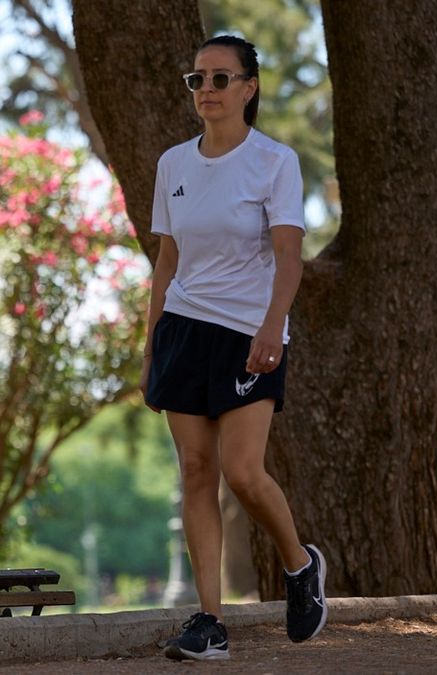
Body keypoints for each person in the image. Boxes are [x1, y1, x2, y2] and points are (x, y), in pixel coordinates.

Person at [140, 34, 327, 661]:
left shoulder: (275, 161)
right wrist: (151, 347)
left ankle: (300, 567)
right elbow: (166, 261)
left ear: (249, 87)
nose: (208, 91)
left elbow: (289, 255)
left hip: (250, 333)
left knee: (244, 473)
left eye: (221, 79)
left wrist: (273, 325)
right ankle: (210, 621)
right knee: (196, 472)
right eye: (198, 80)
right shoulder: (173, 165)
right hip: (184, 330)